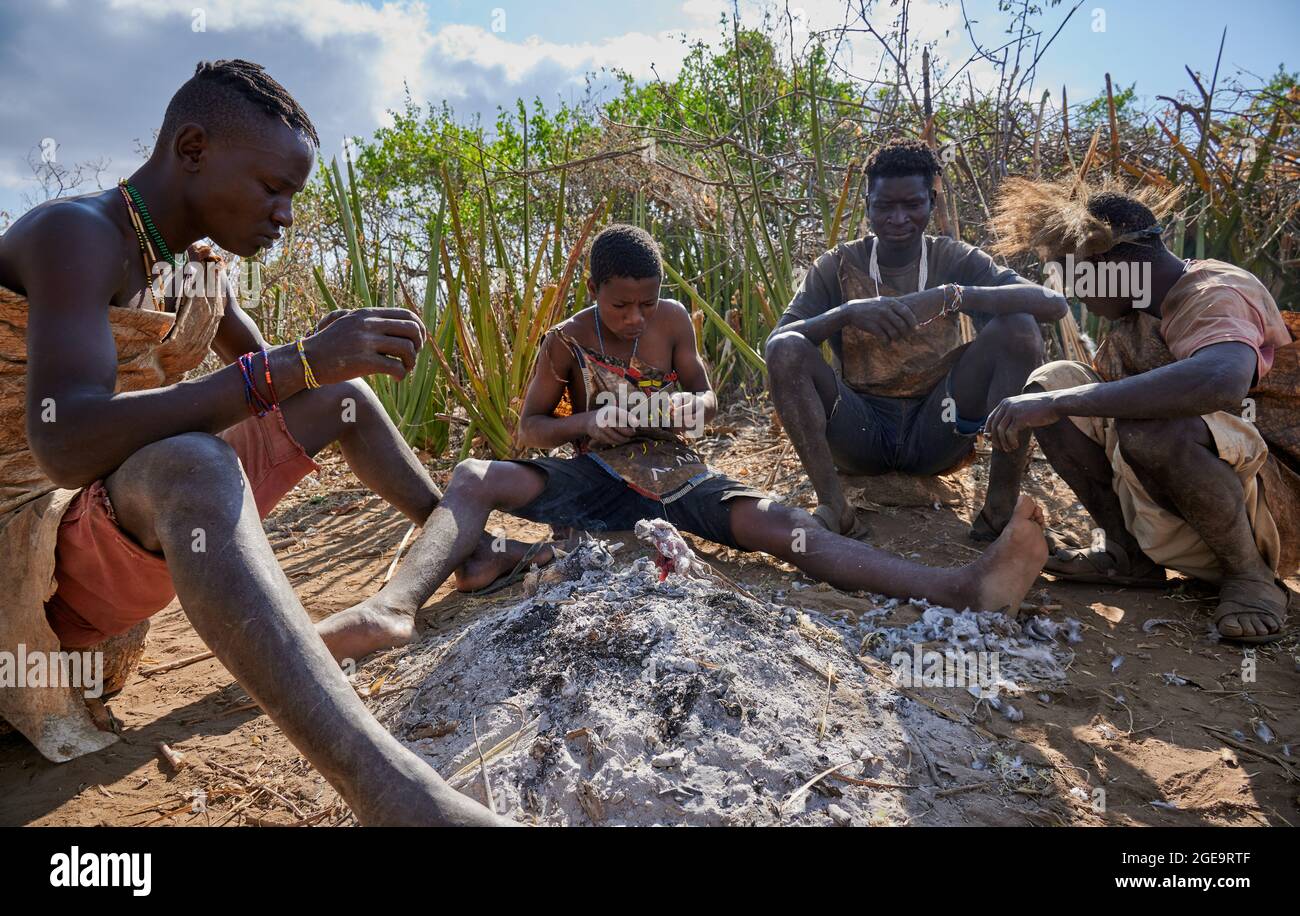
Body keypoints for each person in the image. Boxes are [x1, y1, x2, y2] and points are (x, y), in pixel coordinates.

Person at [0, 59, 518, 825]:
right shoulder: (76, 236)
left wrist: (325, 360)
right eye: (272, 188)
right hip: (25, 552)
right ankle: (398, 798)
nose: (284, 214)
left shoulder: (197, 272)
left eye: (294, 198)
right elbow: (66, 444)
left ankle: (461, 553)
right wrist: (289, 363)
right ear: (194, 147)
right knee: (192, 463)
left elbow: (292, 390)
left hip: (109, 537)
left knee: (341, 399)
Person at [337, 223, 1050, 652]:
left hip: (679, 476)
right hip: (593, 480)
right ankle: (395, 606)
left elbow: (705, 398)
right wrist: (588, 422)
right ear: (593, 292)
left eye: (647, 301)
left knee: (783, 527)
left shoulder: (673, 320)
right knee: (473, 474)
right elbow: (531, 428)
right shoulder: (564, 343)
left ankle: (957, 587)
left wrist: (682, 410)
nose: (636, 317)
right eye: (621, 304)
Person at [984, 179, 1299, 644]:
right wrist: (1050, 402)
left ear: (1120, 265)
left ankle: (1249, 575)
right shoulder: (1135, 315)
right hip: (1176, 491)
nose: (1075, 295)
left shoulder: (1215, 291)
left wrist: (1057, 404)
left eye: (1078, 277)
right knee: (1051, 381)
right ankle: (1128, 554)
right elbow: (1093, 406)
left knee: (1141, 424)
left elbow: (1222, 380)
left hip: (1271, 505)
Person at [765, 139, 1068, 540]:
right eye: (884, 207)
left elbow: (1053, 303)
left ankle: (999, 511)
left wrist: (950, 296)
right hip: (860, 430)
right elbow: (777, 344)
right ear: (867, 203)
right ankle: (835, 508)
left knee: (1019, 327)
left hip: (937, 425)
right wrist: (847, 313)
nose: (898, 218)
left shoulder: (952, 259)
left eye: (912, 204)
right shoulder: (837, 265)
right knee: (787, 350)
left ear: (933, 200)